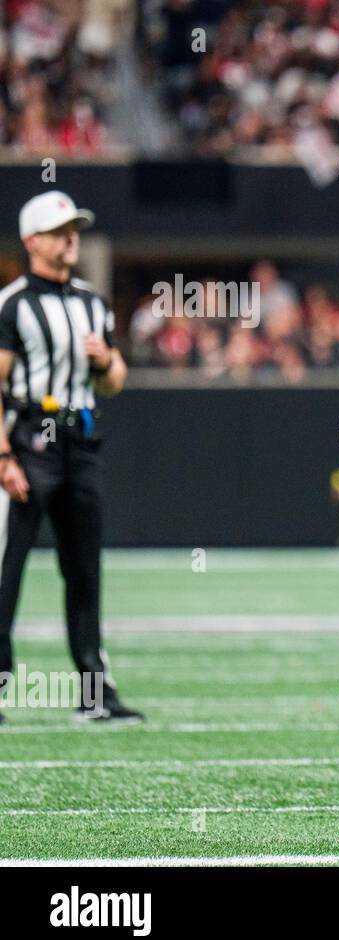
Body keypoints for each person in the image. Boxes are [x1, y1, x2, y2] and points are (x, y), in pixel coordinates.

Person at [0, 189, 141, 723]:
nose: (71, 240)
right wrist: (2, 455)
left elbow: (115, 383)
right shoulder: (13, 303)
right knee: (6, 569)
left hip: (79, 441)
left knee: (84, 570)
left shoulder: (91, 303)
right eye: (60, 232)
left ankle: (95, 693)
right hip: (29, 438)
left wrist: (106, 361)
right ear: (32, 241)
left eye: (74, 231)